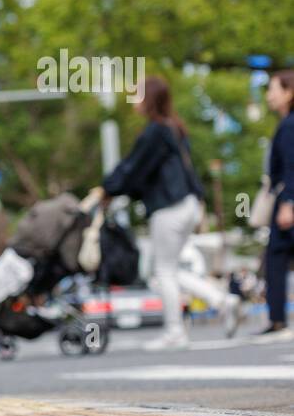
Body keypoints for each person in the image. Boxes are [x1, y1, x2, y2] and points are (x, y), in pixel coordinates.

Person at [99, 76, 241, 350]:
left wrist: (108, 188)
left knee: (161, 271)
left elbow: (132, 167)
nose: (133, 100)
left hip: (169, 206)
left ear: (149, 98)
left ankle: (175, 331)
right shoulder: (174, 128)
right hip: (188, 204)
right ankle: (223, 301)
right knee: (171, 268)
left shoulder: (155, 132)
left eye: (137, 94)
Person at [255, 70, 294, 340]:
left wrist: (288, 203)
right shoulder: (287, 124)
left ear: (289, 92)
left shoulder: (290, 126)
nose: (269, 95)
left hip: (288, 199)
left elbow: (292, 167)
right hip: (286, 197)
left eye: (273, 89)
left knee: (276, 258)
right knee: (276, 258)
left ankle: (278, 320)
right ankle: (276, 319)